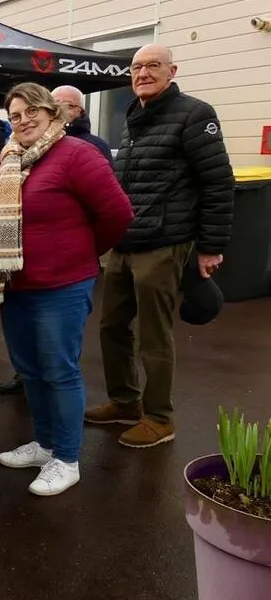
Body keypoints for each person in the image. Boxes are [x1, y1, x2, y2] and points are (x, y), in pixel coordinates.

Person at [0, 83, 133, 496]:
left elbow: (118, 213)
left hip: (62, 284)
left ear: (52, 114)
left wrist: (83, 253)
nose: (23, 120)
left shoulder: (77, 155)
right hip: (17, 281)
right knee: (29, 369)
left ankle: (67, 458)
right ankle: (45, 443)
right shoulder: (11, 159)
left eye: (32, 112)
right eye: (15, 115)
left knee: (60, 370)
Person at [90, 45, 234, 448]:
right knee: (111, 326)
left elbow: (218, 183)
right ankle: (124, 402)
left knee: (154, 336)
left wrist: (210, 246)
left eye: (153, 66)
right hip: (125, 242)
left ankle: (158, 417)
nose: (143, 73)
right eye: (137, 67)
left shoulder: (194, 114)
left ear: (173, 71)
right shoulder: (134, 117)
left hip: (164, 244)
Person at [51, 86, 112, 165]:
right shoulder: (36, 140)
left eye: (69, 105)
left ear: (81, 111)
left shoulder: (96, 145)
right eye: (55, 105)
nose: (60, 109)